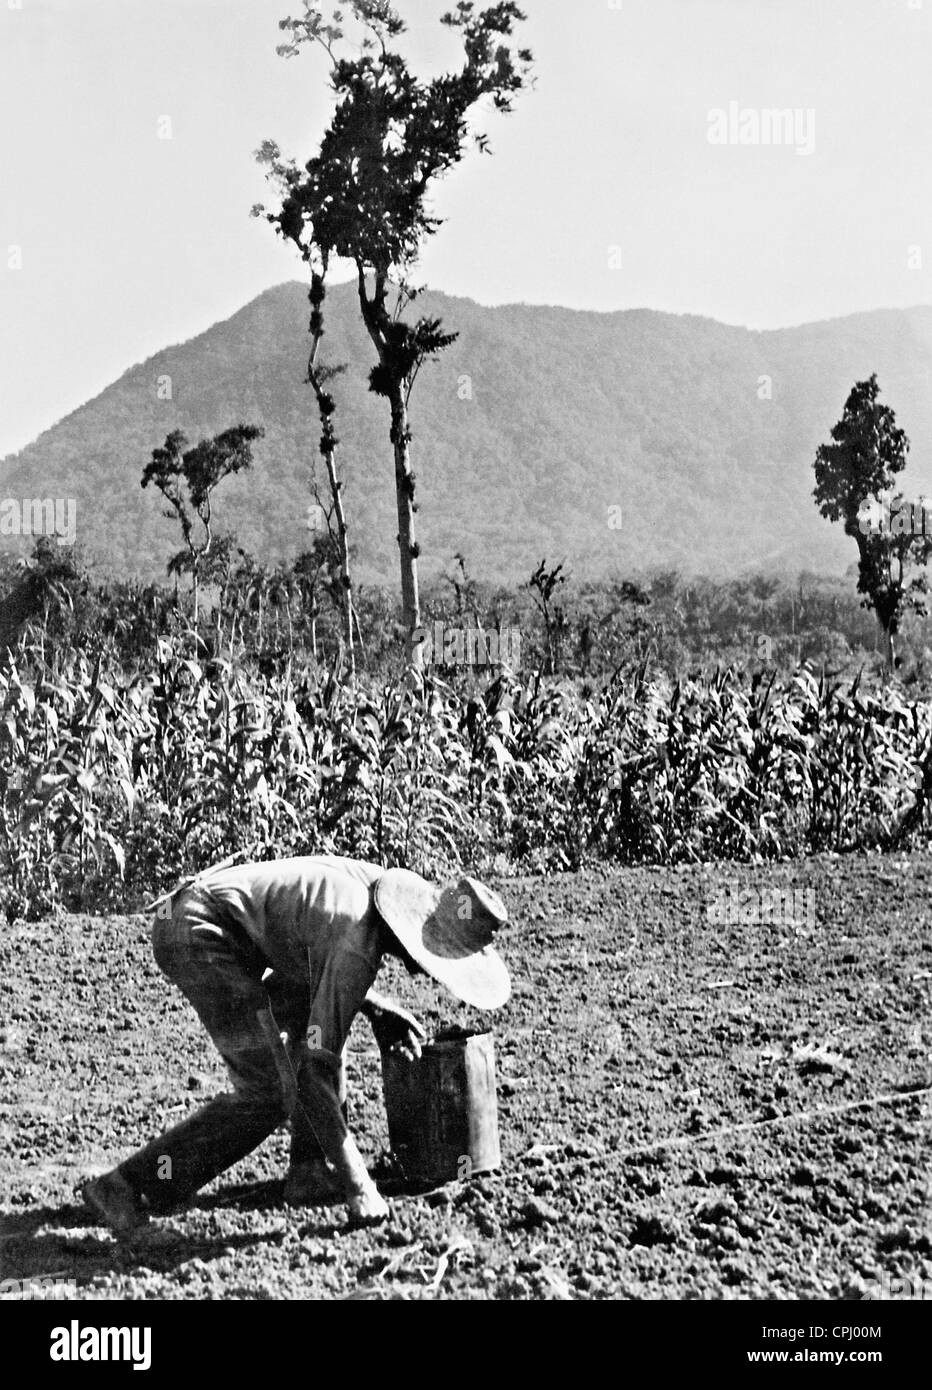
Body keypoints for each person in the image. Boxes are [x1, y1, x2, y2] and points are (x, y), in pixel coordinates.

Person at [81, 855, 510, 1231]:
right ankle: (126, 1185)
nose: (427, 973)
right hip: (198, 932)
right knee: (270, 1091)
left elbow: (320, 963)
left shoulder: (375, 890)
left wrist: (377, 1009)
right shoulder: (355, 943)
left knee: (319, 1029)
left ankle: (308, 1171)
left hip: (210, 919)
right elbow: (315, 1071)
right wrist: (359, 1185)